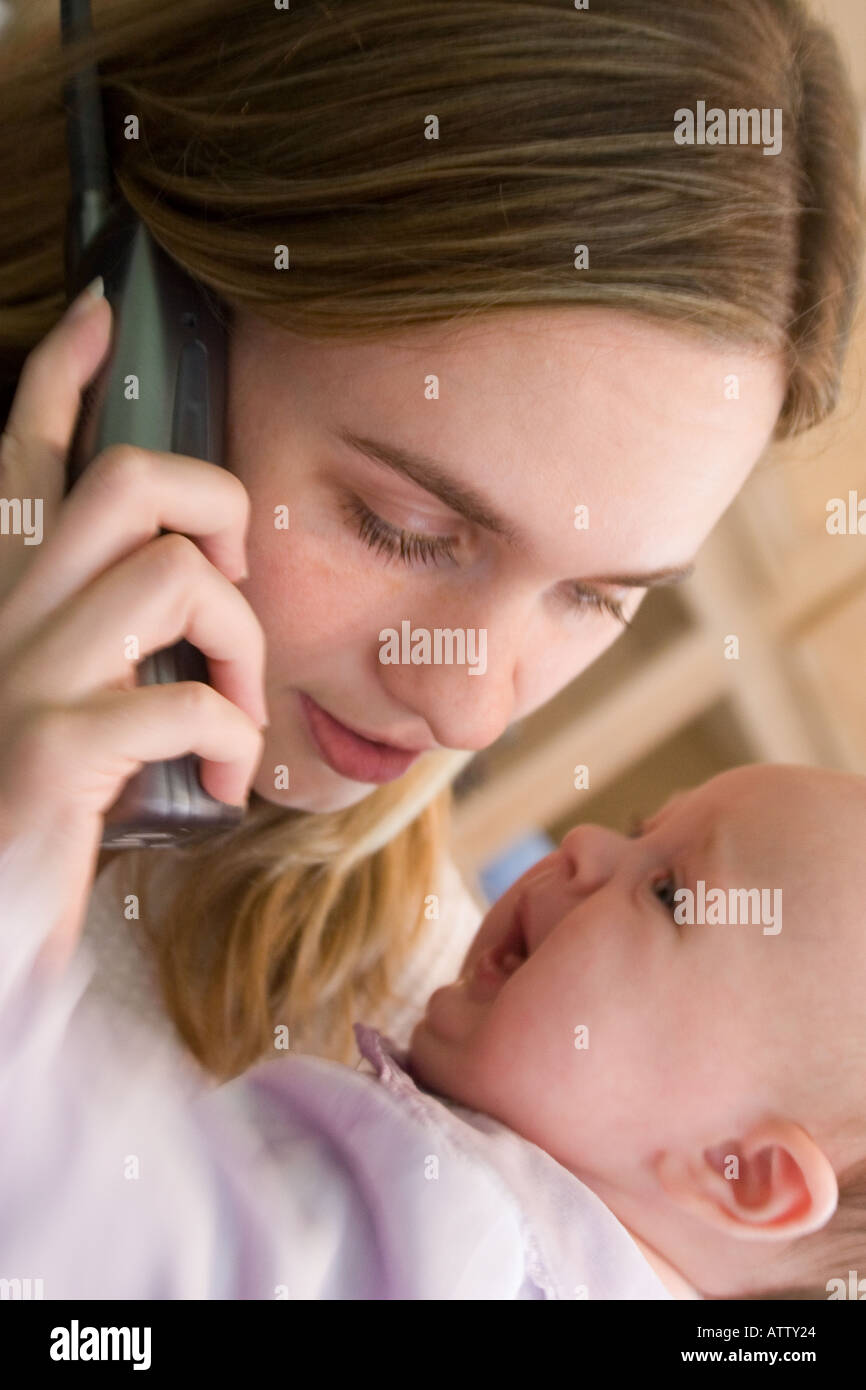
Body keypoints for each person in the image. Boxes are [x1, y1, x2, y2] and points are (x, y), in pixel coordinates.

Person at [0, 0, 862, 1081]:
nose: (469, 709)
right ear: (140, 331)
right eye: (400, 525)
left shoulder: (415, 1060)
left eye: (596, 596)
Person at [2, 762, 863, 1300]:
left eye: (671, 891)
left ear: (741, 1172)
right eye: (641, 829)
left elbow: (117, 1235)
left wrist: (24, 868)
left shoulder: (459, 1233)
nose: (586, 842)